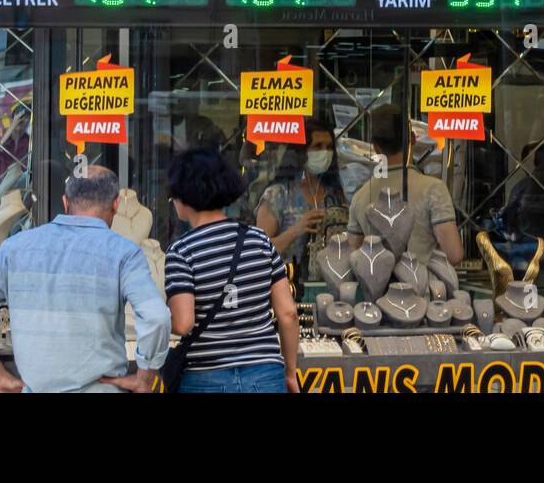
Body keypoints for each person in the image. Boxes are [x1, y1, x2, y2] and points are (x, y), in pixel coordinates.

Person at [0, 165, 170, 393]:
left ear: (65, 203)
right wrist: (145, 377)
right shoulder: (124, 253)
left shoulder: (15, 249)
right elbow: (156, 317)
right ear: (116, 205)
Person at [164, 147, 300, 393]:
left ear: (183, 197)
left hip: (205, 377)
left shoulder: (181, 252)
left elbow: (183, 324)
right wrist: (290, 372)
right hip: (265, 374)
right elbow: (288, 313)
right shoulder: (259, 240)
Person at [346, 105, 463, 265]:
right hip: (423, 287)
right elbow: (454, 255)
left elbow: (353, 258)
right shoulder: (433, 189)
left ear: (375, 146)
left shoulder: (360, 196)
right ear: (413, 138)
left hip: (376, 289)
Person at [256, 121, 348, 280]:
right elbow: (259, 251)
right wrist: (297, 230)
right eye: (318, 146)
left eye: (329, 147)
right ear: (301, 152)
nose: (325, 152)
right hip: (286, 284)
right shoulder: (277, 195)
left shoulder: (335, 195)